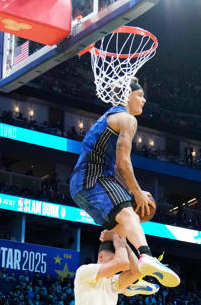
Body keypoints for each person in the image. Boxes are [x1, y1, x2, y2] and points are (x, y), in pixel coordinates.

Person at [69, 77, 179, 291]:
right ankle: (147, 256)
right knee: (129, 214)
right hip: (92, 178)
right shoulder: (127, 119)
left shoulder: (110, 118)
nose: (144, 100)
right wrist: (136, 192)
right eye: (140, 95)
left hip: (83, 184)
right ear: (127, 96)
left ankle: (127, 281)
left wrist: (130, 190)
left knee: (120, 232)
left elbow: (116, 166)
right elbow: (123, 162)